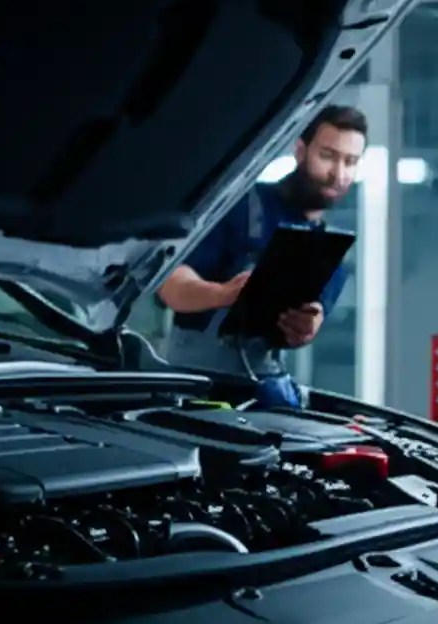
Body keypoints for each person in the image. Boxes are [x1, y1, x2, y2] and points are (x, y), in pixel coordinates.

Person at [156, 104, 368, 407]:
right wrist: (224, 294)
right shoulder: (236, 204)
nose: (339, 173)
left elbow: (306, 328)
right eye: (328, 156)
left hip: (264, 387)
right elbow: (171, 286)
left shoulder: (331, 253)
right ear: (300, 151)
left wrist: (304, 328)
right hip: (194, 385)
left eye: (350, 161)